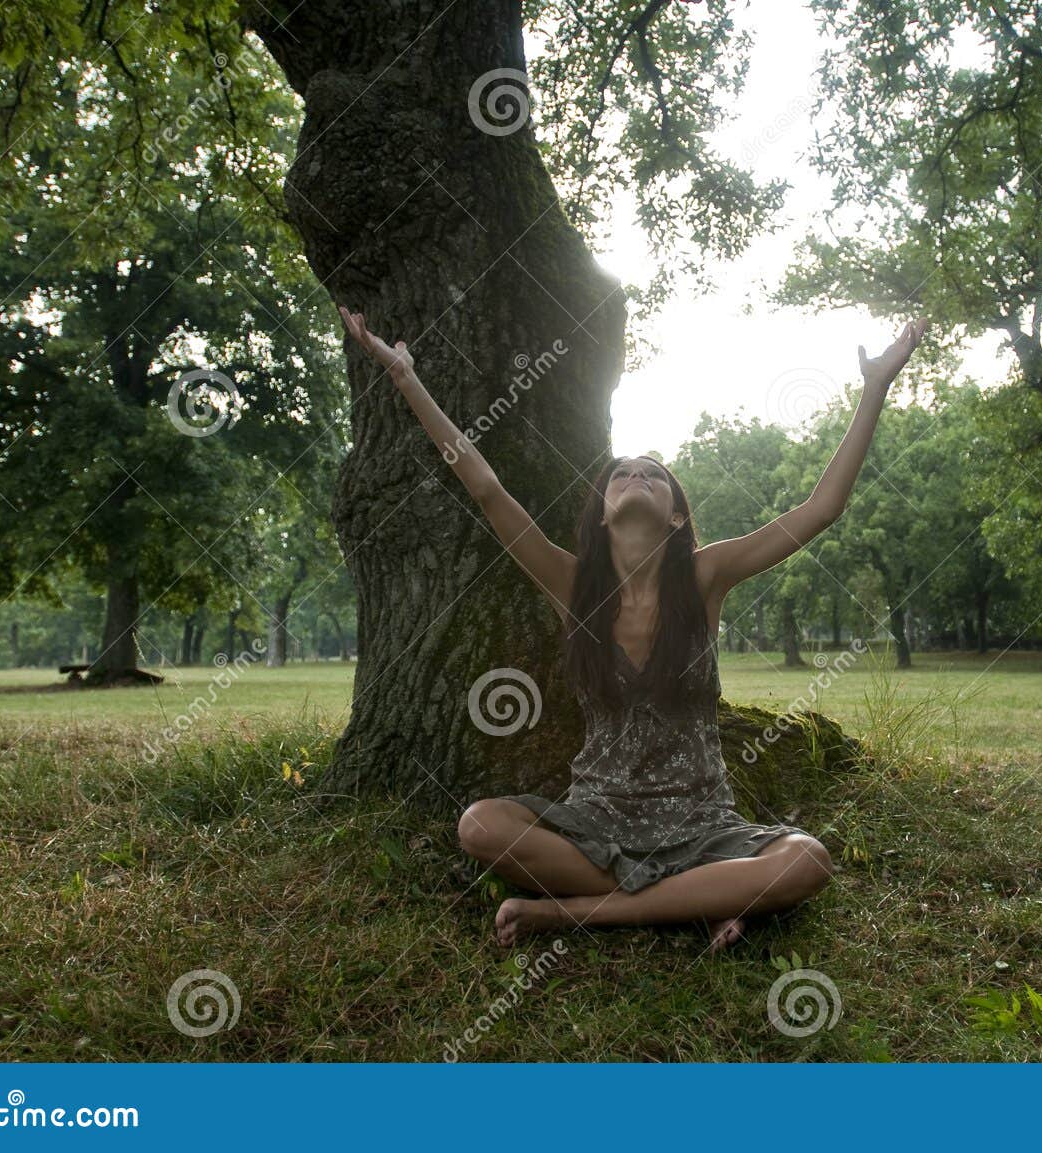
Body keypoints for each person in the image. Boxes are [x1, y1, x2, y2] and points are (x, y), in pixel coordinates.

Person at [338, 305, 926, 950]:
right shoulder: (569, 583)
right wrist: (406, 380)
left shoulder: (705, 577)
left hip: (706, 828)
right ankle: (701, 903)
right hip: (597, 823)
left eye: (654, 474)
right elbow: (484, 486)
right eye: (622, 474)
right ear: (601, 514)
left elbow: (821, 508)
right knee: (481, 824)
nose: (637, 475)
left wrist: (875, 387)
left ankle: (574, 915)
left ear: (676, 517)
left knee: (807, 859)